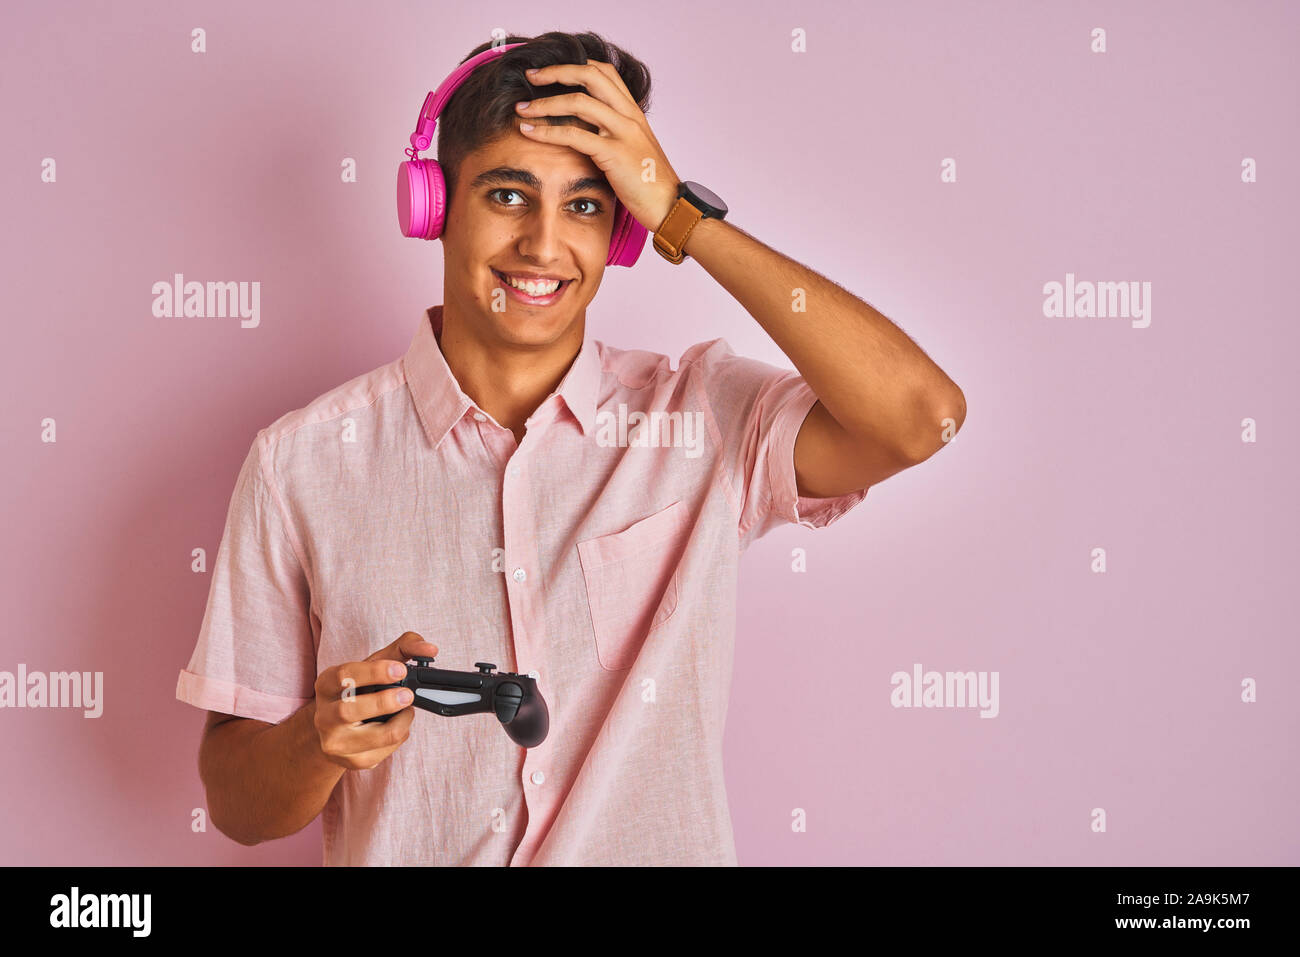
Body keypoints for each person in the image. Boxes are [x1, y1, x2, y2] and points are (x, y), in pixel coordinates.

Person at [176, 30, 966, 866]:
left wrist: (681, 215)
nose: (545, 246)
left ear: (623, 232)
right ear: (433, 207)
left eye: (587, 205)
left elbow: (922, 416)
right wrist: (318, 739)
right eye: (509, 195)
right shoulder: (300, 463)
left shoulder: (701, 416)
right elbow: (236, 803)